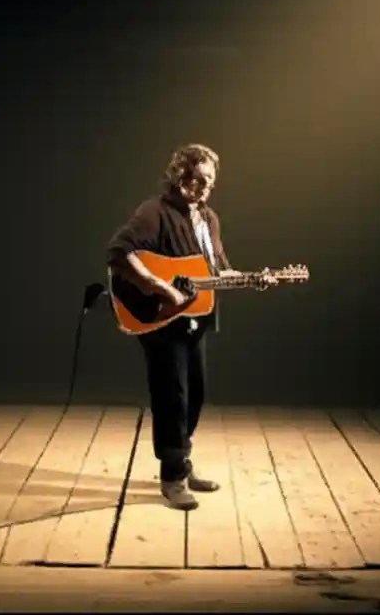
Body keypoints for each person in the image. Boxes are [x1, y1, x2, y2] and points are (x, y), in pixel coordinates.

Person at [106, 144, 276, 510]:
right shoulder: (155, 211)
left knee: (195, 393)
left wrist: (251, 278)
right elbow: (120, 252)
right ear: (177, 174)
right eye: (195, 178)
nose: (202, 187)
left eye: (209, 182)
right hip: (160, 316)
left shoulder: (210, 219)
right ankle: (172, 477)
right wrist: (162, 288)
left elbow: (217, 271)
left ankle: (182, 461)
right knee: (173, 396)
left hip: (193, 318)